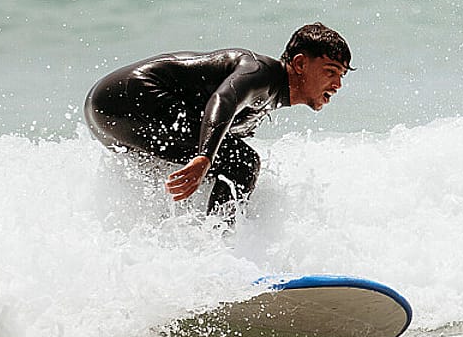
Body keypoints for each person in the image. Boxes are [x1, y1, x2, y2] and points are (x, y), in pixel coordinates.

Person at [84, 22, 352, 215]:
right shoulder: (261, 73)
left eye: (342, 76)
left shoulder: (268, 98)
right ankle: (218, 252)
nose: (338, 84)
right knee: (242, 162)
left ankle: (172, 251)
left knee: (195, 175)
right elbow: (223, 99)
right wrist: (204, 155)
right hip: (131, 96)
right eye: (331, 72)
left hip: (106, 113)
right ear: (301, 63)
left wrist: (204, 157)